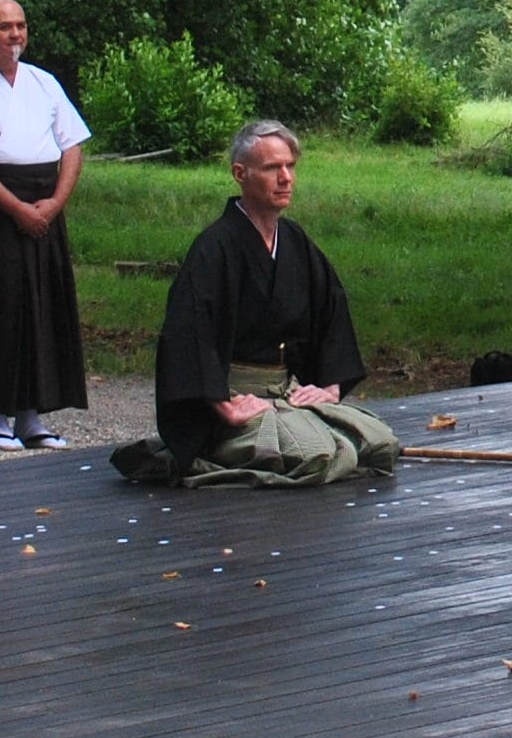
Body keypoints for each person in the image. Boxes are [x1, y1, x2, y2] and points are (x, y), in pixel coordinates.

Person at [118, 121, 399, 487]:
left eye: (290, 166)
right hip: (234, 397)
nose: (286, 178)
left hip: (286, 394)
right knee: (314, 454)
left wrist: (329, 386)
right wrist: (223, 406)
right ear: (240, 174)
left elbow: (331, 307)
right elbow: (189, 333)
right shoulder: (214, 248)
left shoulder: (295, 241)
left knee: (378, 443)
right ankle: (209, 453)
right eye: (272, 168)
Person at [0, 0, 90, 449]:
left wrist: (53, 204)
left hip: (45, 202)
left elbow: (72, 145)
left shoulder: (43, 83)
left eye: (20, 26)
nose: (15, 35)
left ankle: (33, 416)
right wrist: (18, 209)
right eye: (5, 27)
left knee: (41, 307)